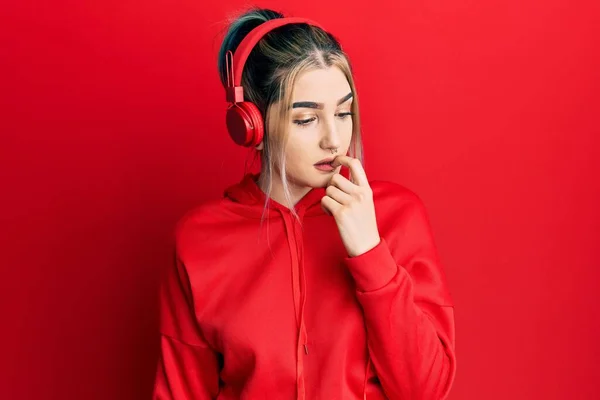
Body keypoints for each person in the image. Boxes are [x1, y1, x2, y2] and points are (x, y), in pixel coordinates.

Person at [152, 7, 456, 400]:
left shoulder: (397, 215)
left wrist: (370, 253)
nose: (334, 138)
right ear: (252, 126)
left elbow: (426, 390)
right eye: (306, 120)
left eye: (344, 113)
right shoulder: (199, 240)